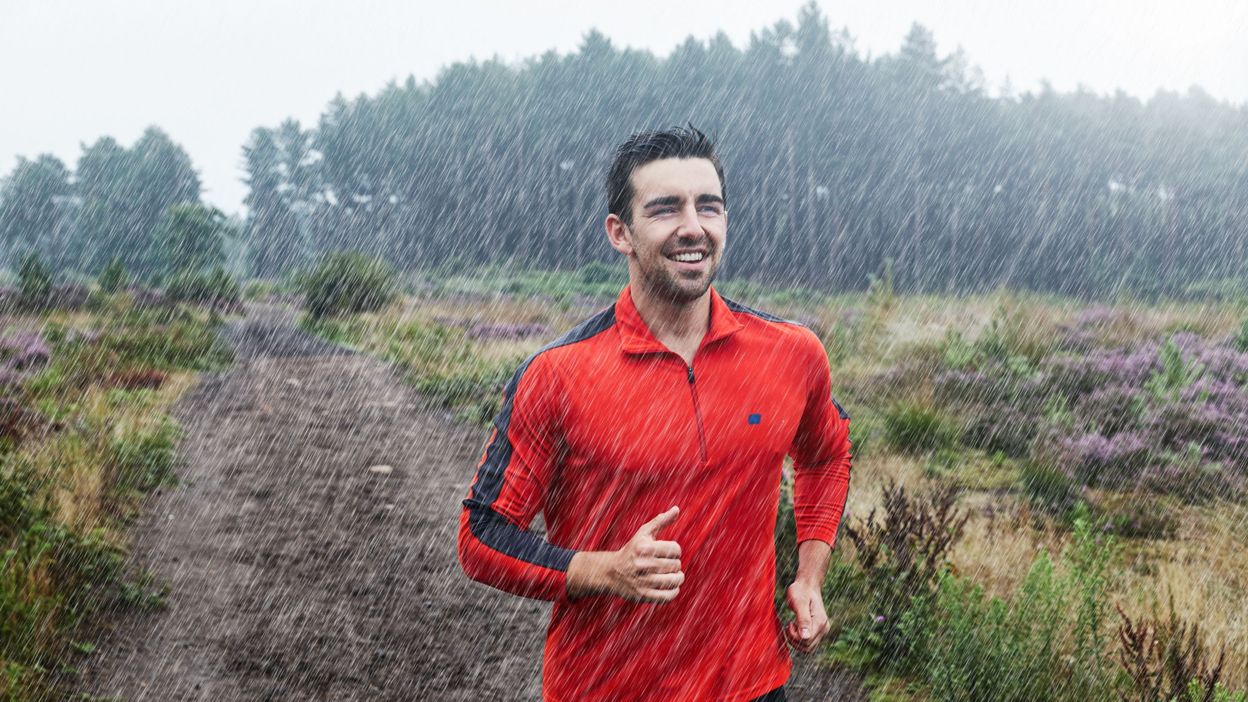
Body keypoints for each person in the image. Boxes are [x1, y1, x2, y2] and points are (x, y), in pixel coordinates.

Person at [457, 125, 853, 702]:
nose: (693, 227)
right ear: (621, 232)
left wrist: (809, 576)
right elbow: (482, 535)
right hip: (607, 689)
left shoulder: (791, 354)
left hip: (754, 686)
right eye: (666, 209)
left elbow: (827, 454)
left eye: (708, 207)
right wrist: (604, 570)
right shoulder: (557, 375)